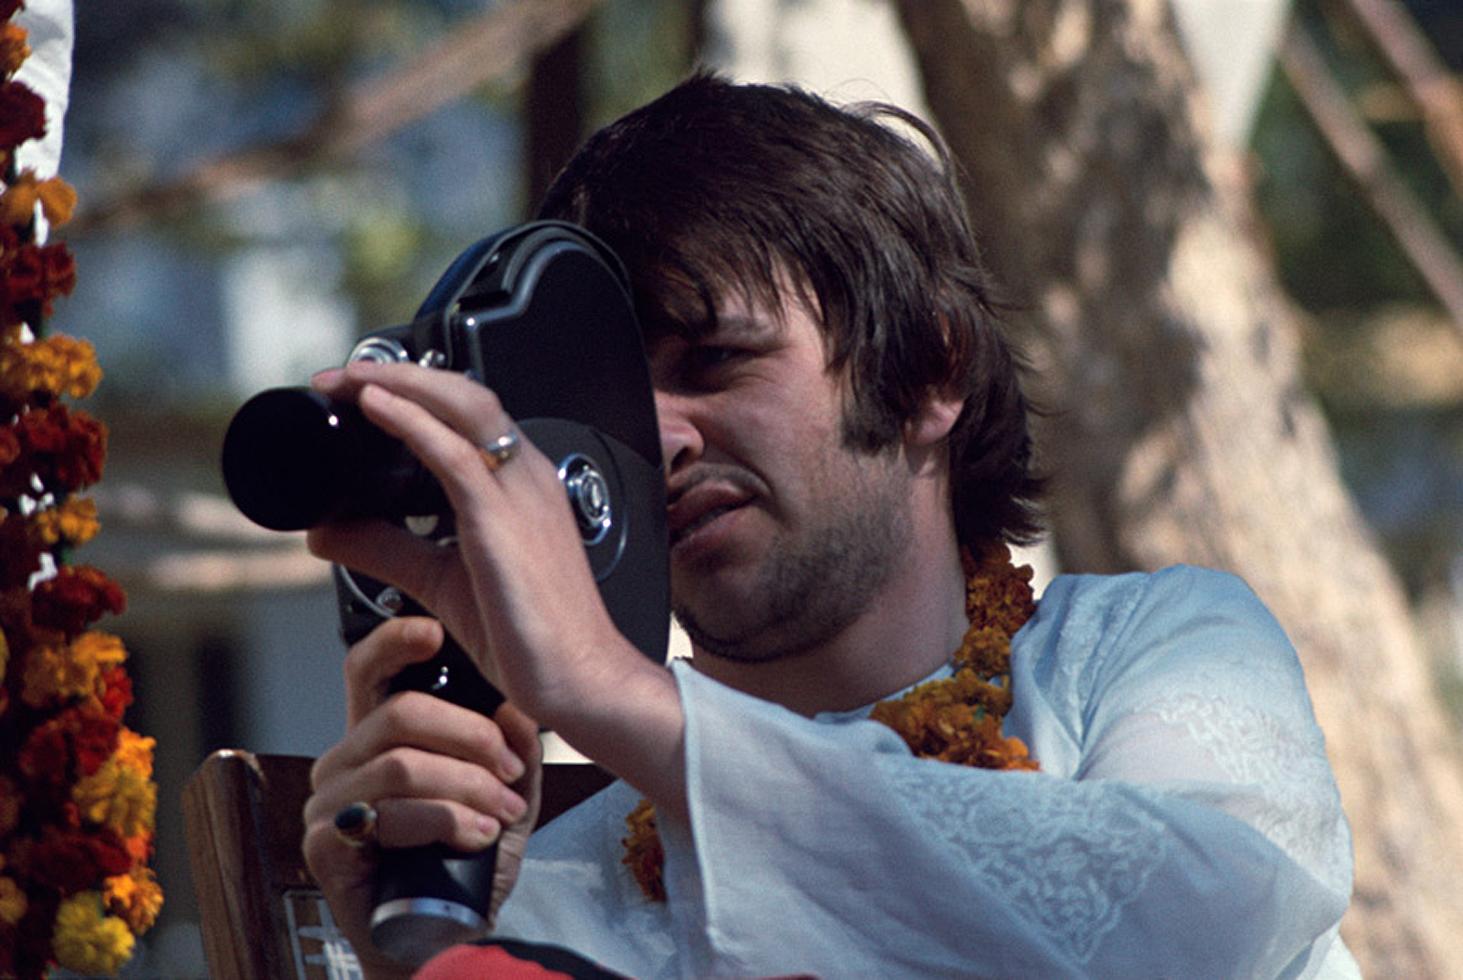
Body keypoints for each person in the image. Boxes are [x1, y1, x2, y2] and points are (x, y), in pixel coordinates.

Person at [300, 74, 1357, 978]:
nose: (656, 440)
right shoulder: (558, 886)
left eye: (713, 363)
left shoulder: (1150, 645)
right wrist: (423, 945)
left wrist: (611, 696)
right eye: (614, 402)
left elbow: (1206, 920)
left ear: (930, 372)